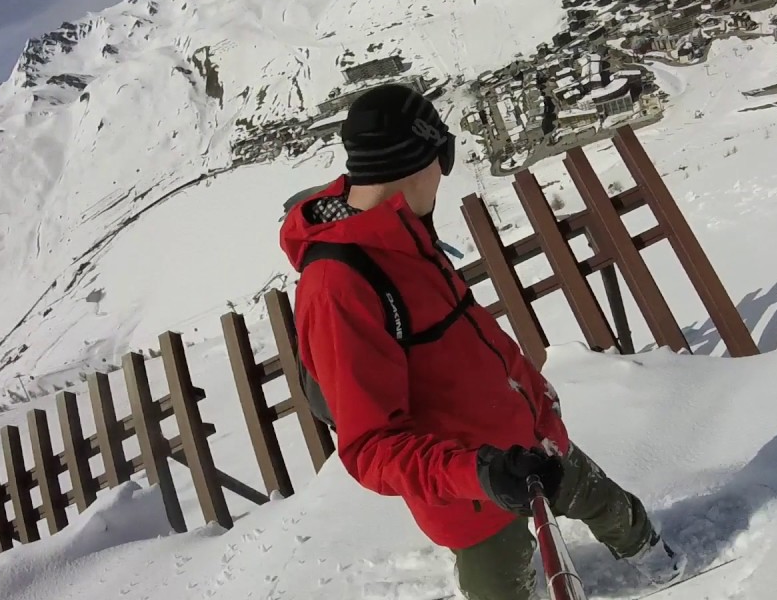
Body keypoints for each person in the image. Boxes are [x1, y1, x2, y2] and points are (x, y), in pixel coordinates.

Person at [279, 83, 686, 599]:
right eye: (445, 157)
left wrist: (538, 403)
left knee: (611, 507)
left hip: (529, 440)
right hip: (467, 496)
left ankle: (666, 568)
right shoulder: (339, 286)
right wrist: (482, 473)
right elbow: (371, 448)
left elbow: (475, 338)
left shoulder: (403, 233)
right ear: (422, 159)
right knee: (501, 589)